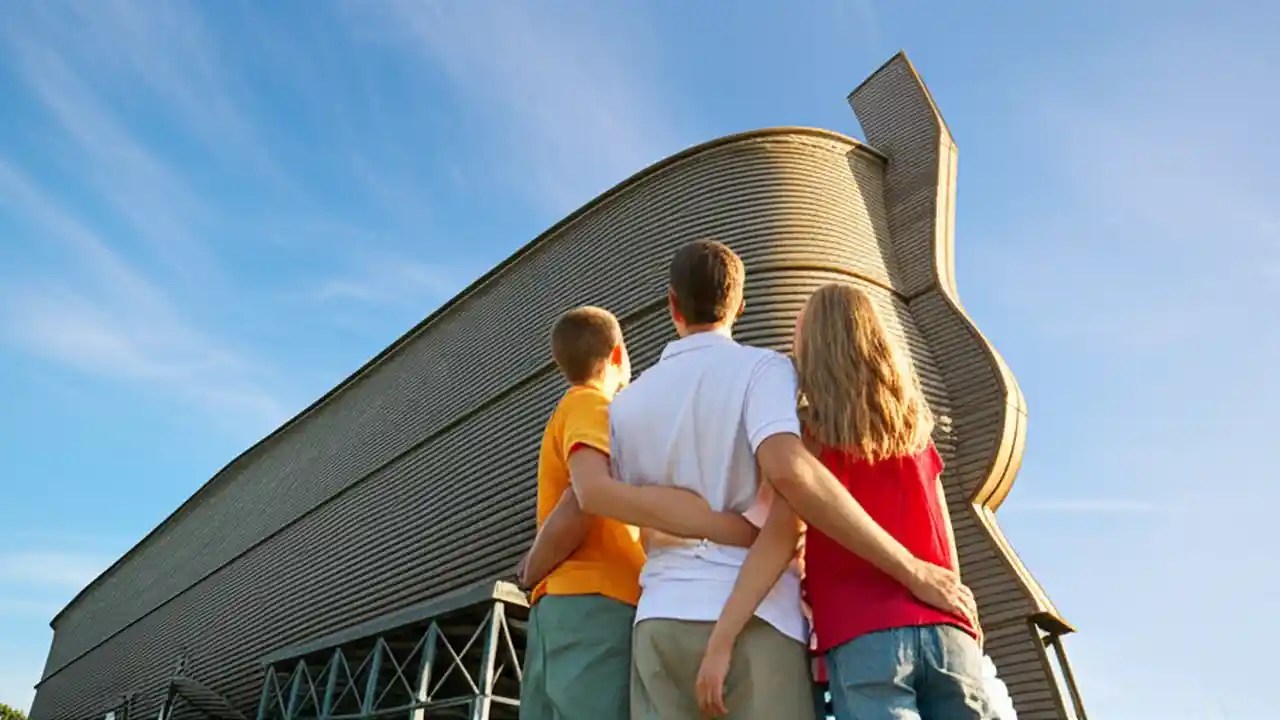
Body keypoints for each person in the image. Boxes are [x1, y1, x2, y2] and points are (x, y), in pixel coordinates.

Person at [570, 240, 979, 719]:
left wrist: (682, 518)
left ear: (671, 303)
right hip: (768, 620)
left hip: (664, 613)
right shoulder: (770, 374)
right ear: (740, 306)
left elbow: (605, 500)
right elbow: (790, 482)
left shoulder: (624, 405)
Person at [700, 282, 995, 720]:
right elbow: (942, 536)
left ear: (814, 347)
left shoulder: (812, 440)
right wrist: (964, 615)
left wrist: (721, 639)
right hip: (947, 634)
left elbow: (780, 537)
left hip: (865, 640)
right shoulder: (915, 430)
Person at [517, 305, 759, 720]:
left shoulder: (567, 410)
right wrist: (533, 566)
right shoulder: (592, 405)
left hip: (560, 607)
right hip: (598, 604)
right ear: (617, 355)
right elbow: (584, 497)